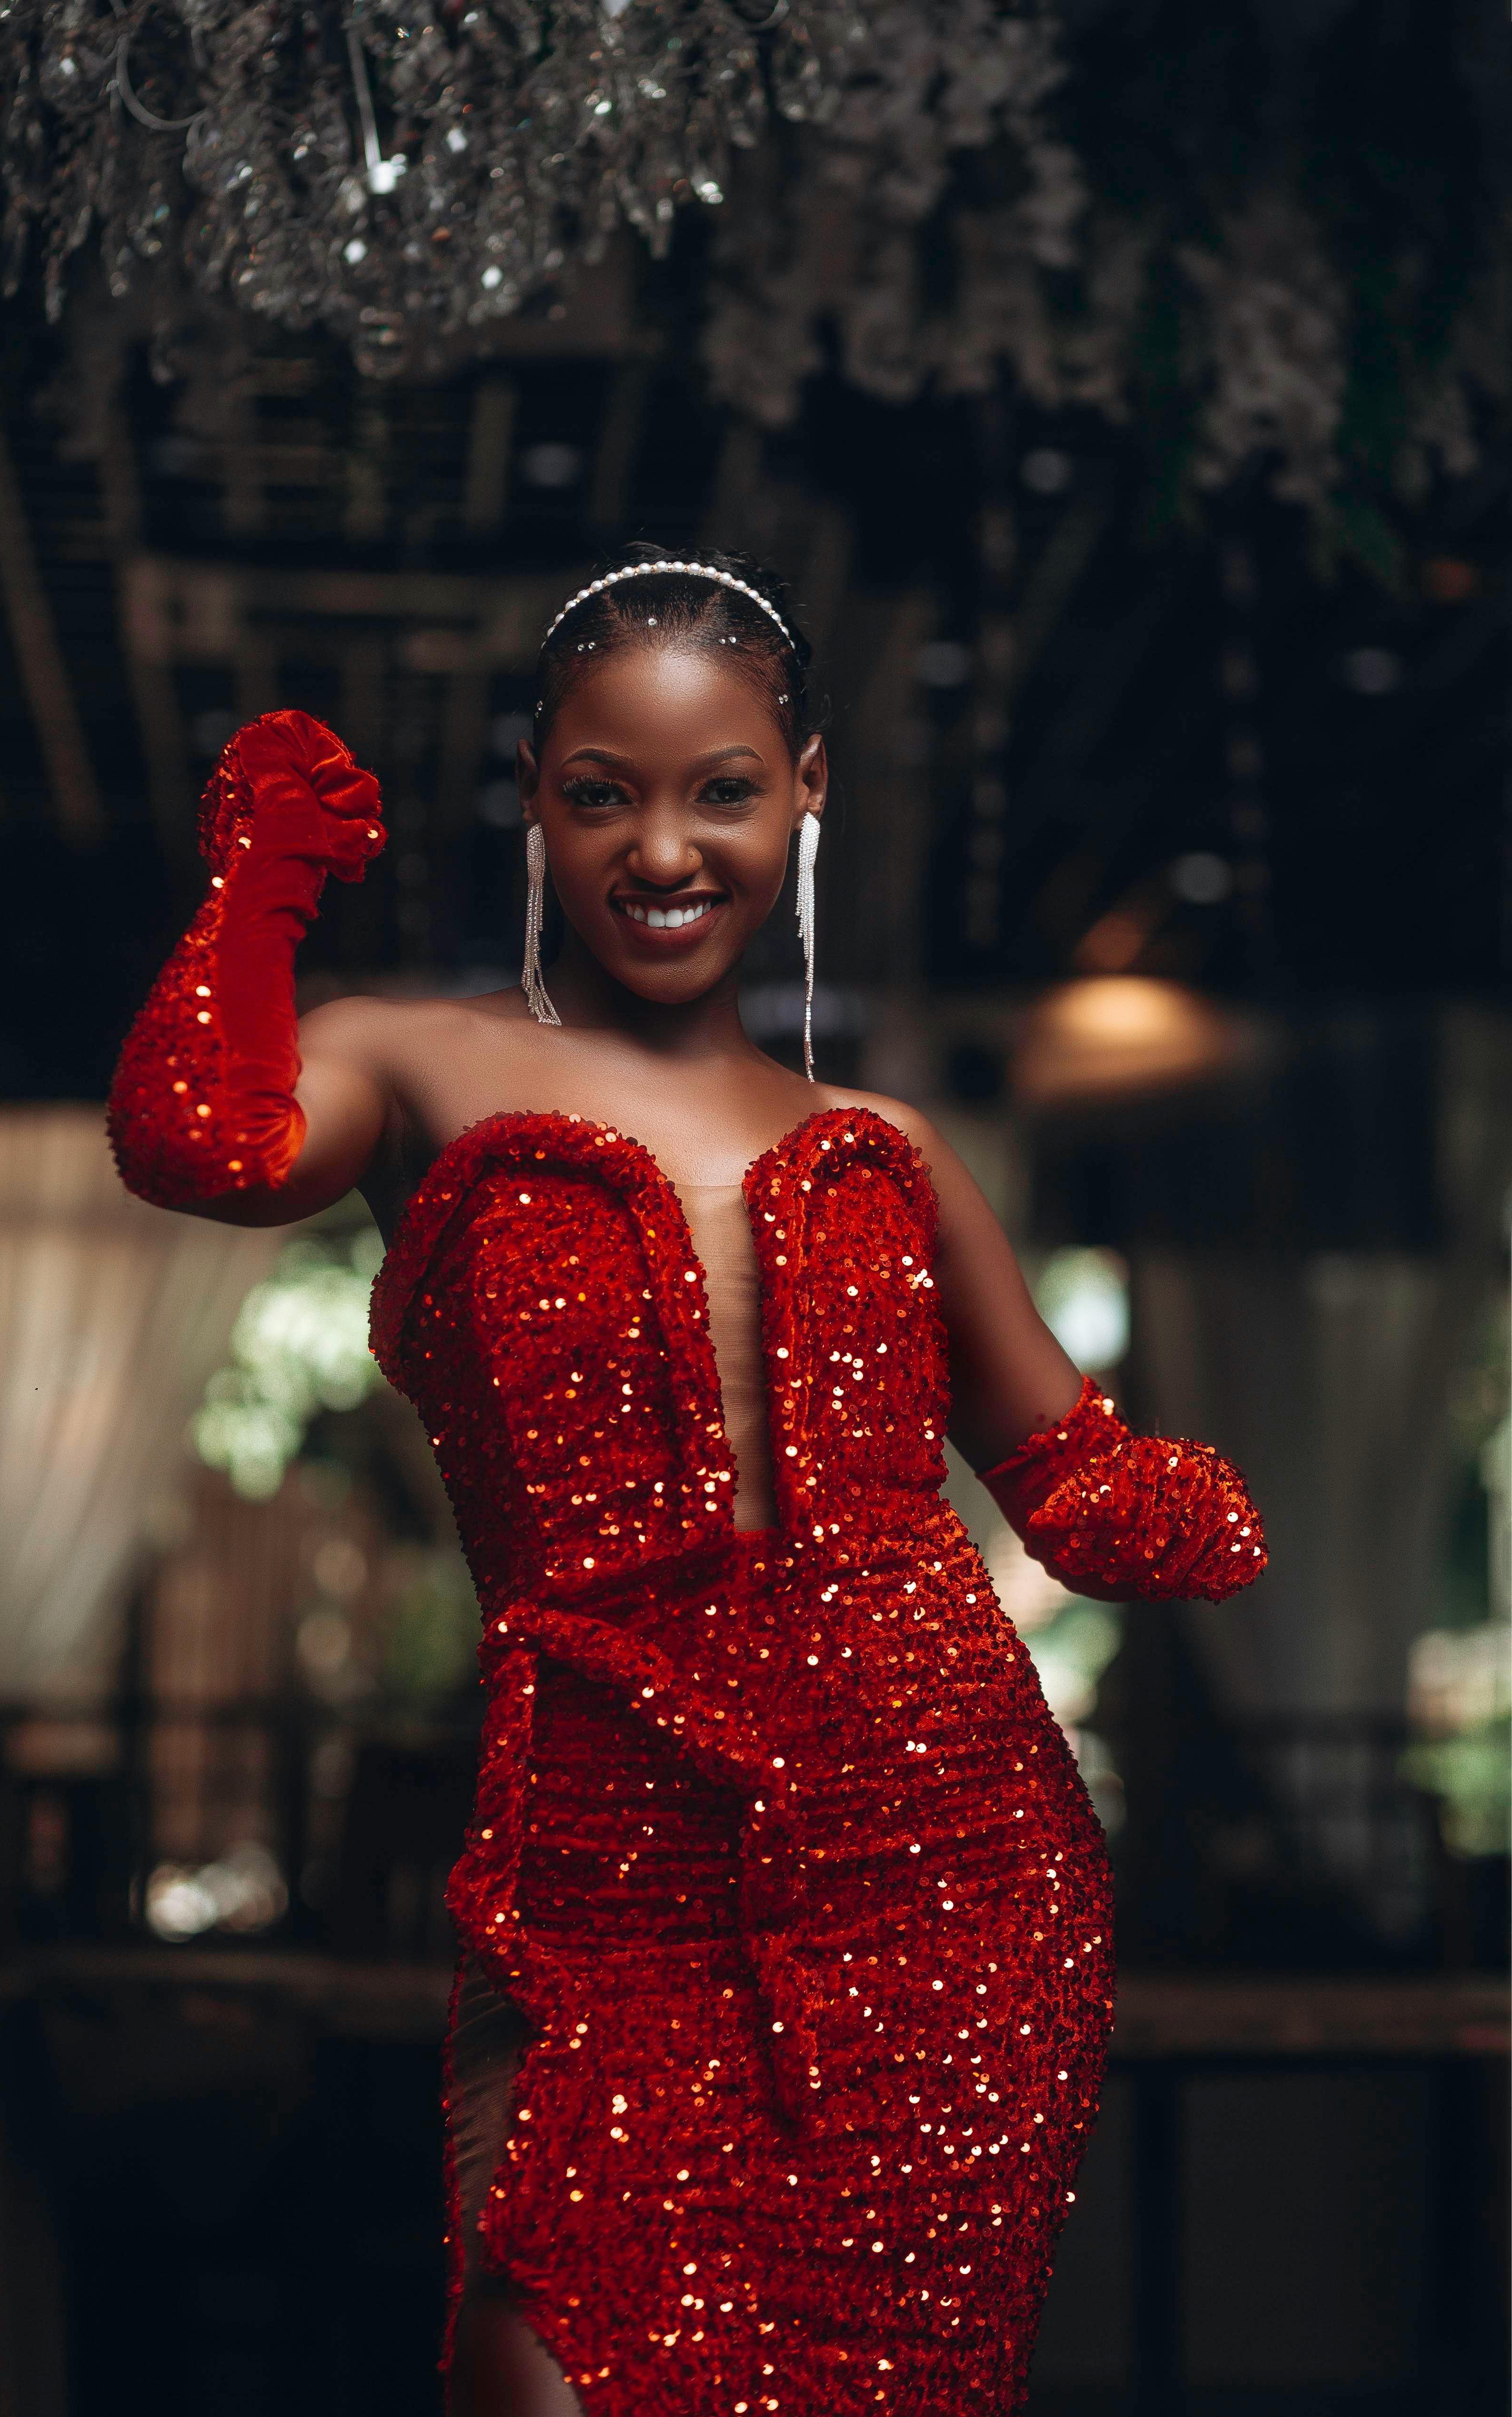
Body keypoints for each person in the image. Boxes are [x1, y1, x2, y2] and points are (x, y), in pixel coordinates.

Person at [108, 549, 1267, 2416]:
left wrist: (1186, 1503)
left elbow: (1066, 1472)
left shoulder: (880, 1141)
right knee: (540, 2356)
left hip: (948, 1872)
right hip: (610, 1859)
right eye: (604, 792)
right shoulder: (416, 1060)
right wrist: (259, 889)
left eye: (721, 787)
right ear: (538, 798)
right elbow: (201, 1143)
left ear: (807, 784)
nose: (665, 847)